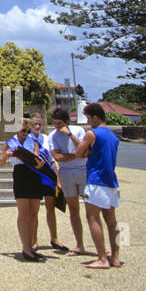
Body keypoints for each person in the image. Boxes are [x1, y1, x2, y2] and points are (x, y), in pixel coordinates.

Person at [0, 118, 55, 262]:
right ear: (17, 129)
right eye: (24, 131)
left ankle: (32, 244)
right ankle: (26, 248)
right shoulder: (10, 143)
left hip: (34, 177)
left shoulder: (33, 142)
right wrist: (6, 156)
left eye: (28, 131)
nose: (26, 133)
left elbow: (38, 161)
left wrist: (38, 160)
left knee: (34, 212)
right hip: (21, 176)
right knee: (23, 212)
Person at [75, 102, 122, 269]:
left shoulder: (91, 134)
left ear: (95, 117)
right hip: (111, 181)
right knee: (112, 221)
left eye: (88, 118)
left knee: (92, 217)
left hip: (96, 180)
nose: (88, 122)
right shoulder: (113, 136)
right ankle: (115, 257)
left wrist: (88, 150)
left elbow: (78, 153)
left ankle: (102, 258)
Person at [48, 107, 89, 255]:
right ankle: (79, 245)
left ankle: (100, 245)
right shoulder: (52, 136)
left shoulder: (78, 131)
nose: (57, 126)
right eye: (55, 123)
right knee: (73, 210)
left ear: (66, 122)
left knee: (92, 209)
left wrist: (70, 135)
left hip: (83, 171)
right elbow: (57, 157)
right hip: (66, 173)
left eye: (59, 123)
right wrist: (76, 155)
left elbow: (84, 150)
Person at [27, 111, 67, 252]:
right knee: (34, 211)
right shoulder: (27, 139)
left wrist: (58, 180)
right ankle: (34, 239)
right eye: (34, 124)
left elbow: (52, 161)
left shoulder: (46, 138)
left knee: (51, 208)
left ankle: (54, 238)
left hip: (48, 176)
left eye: (39, 123)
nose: (37, 126)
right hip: (34, 176)